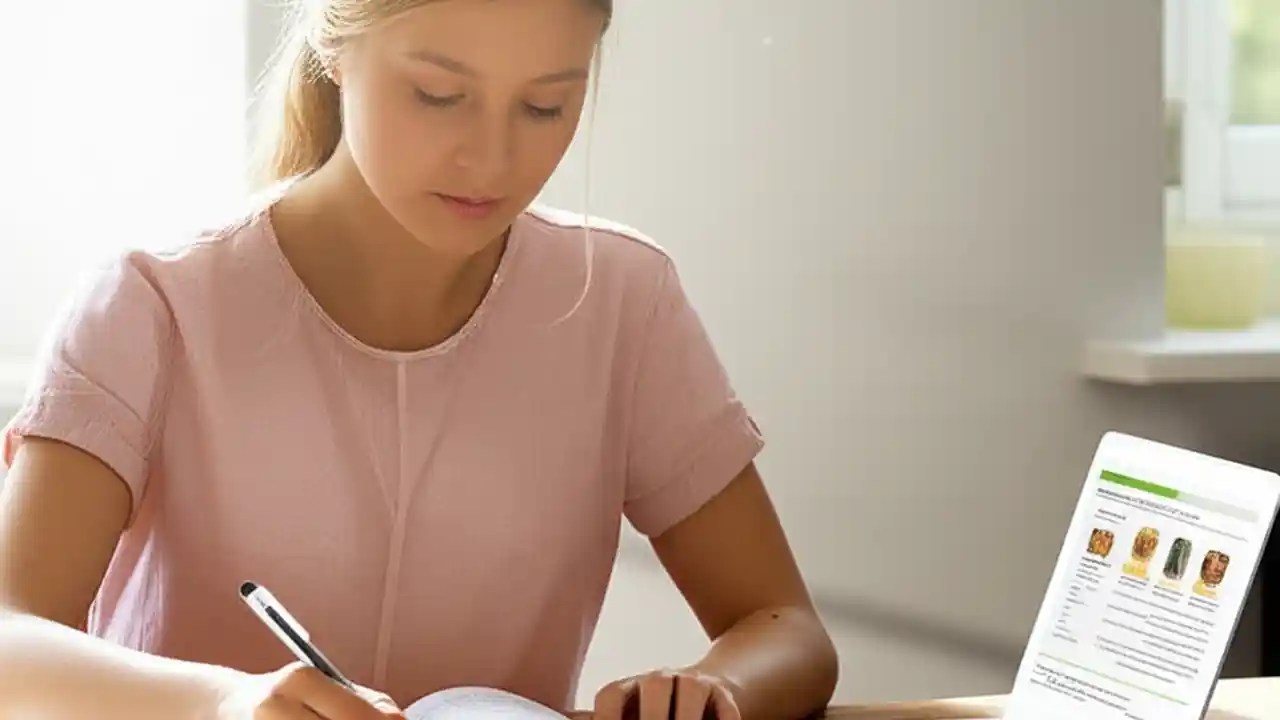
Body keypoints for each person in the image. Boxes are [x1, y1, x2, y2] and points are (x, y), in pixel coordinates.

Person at [0, 1, 839, 719]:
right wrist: (223, 703)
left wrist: (709, 689)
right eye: (438, 95)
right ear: (336, 48)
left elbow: (785, 627)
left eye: (546, 107)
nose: (493, 159)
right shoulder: (153, 304)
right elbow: (11, 641)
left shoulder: (623, 302)